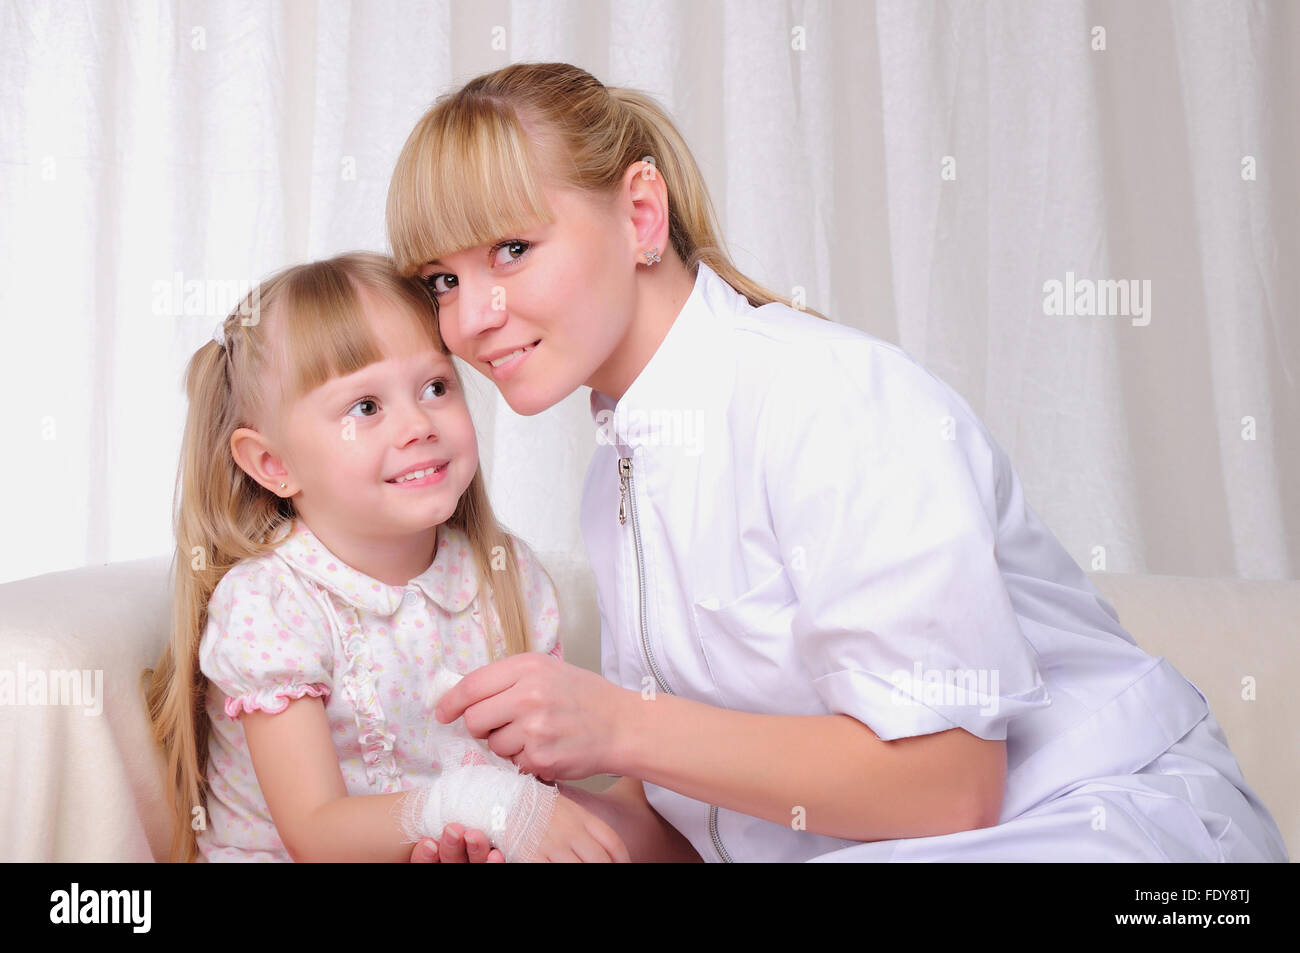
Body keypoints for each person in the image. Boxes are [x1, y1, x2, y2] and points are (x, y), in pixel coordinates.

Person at [384, 62, 1290, 863]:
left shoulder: (825, 395)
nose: (471, 318)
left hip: (1108, 826)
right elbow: (714, 828)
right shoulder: (615, 478)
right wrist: (543, 825)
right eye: (443, 281)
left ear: (640, 214)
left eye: (512, 248)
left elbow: (951, 784)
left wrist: (617, 725)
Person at [142, 251, 629, 862]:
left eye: (435, 387)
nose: (419, 424)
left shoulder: (508, 577)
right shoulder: (272, 604)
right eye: (365, 407)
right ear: (274, 465)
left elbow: (534, 794)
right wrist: (478, 806)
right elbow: (316, 831)